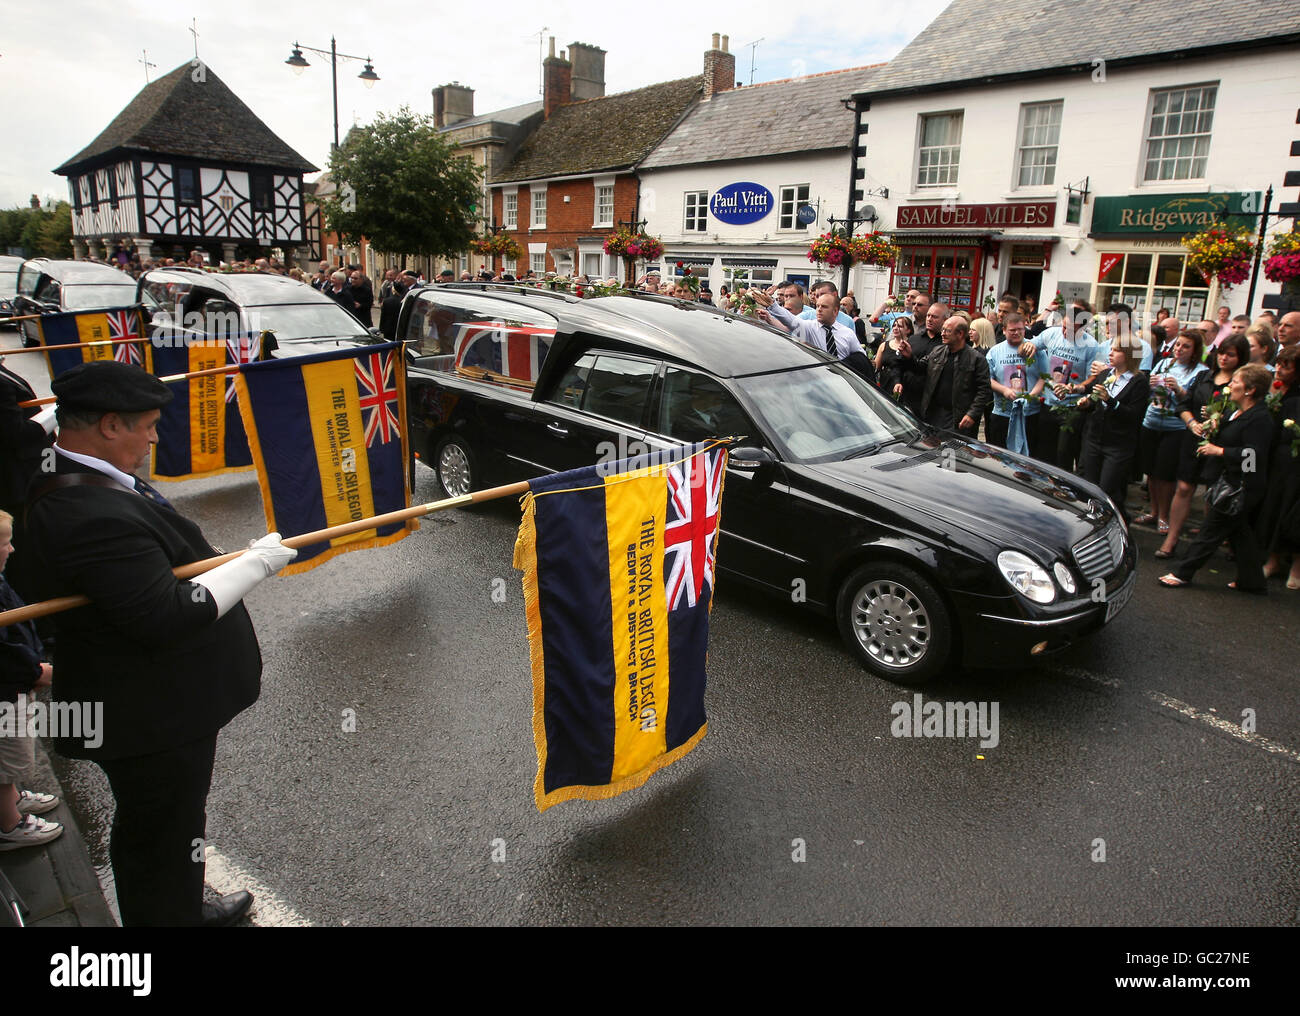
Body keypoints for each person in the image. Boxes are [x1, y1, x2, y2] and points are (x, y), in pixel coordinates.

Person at [23, 360, 297, 926]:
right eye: (145, 425)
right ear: (107, 425)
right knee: (161, 827)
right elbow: (166, 616)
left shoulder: (74, 470)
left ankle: (176, 900)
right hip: (150, 711)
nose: (153, 436)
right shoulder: (86, 512)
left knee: (167, 826)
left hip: (149, 701)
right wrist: (254, 566)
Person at [1159, 364, 1273, 592]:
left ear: (1250, 390)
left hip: (1242, 486)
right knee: (1241, 535)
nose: (1230, 385)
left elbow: (1253, 455)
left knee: (1211, 530)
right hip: (1232, 480)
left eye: (1236, 382)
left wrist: (1220, 451)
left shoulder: (1259, 418)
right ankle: (1253, 582)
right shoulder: (1235, 412)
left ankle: (1183, 572)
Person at [0, 508, 64, 852]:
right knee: (6, 758)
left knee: (10, 758)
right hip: (5, 694)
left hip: (14, 688)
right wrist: (35, 671)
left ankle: (11, 797)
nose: (11, 550)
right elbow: (5, 650)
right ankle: (9, 824)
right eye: (5, 544)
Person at [1156, 333, 1249, 559]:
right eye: (1222, 353)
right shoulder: (1204, 377)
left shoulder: (1240, 382)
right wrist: (1192, 423)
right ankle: (1171, 539)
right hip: (1193, 438)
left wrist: (1219, 419)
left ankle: (1204, 545)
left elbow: (1246, 413)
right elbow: (1184, 404)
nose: (1224, 358)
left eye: (1231, 355)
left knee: (1212, 493)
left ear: (1240, 358)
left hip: (1220, 444)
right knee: (1184, 488)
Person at [1137, 330, 1208, 536]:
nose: (1179, 349)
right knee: (1150, 471)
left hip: (1175, 427)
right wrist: (1150, 385)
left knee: (1165, 474)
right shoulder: (1163, 363)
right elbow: (1150, 393)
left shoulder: (1199, 372)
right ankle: (1153, 510)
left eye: (1186, 346)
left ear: (1195, 351)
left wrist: (1179, 390)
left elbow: (1195, 401)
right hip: (1151, 421)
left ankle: (1164, 516)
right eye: (1178, 345)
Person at [1076, 334, 1150, 524]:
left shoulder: (1139, 382)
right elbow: (1095, 403)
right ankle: (1094, 522)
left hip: (1118, 444)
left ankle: (1120, 522)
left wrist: (1110, 401)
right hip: (1095, 438)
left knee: (1108, 489)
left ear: (1128, 355)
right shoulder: (1105, 374)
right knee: (1090, 487)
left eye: (1116, 350)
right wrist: (1086, 403)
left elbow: (1133, 414)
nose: (1110, 353)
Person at [895, 315, 991, 436]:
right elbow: (920, 367)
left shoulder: (976, 359)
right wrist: (909, 356)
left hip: (958, 418)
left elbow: (984, 390)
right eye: (943, 329)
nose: (943, 333)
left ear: (960, 334)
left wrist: (972, 414)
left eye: (947, 331)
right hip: (933, 414)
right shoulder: (937, 351)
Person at [1037, 300, 1098, 470]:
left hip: (1071, 408)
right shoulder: (1051, 334)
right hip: (1047, 403)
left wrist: (1076, 387)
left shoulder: (1092, 346)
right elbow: (1031, 345)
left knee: (1063, 454)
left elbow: (1094, 377)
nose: (1064, 332)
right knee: (1043, 452)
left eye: (1070, 330)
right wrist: (1027, 347)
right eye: (1063, 326)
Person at [1258, 346, 1300, 588]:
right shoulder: (1274, 391)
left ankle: (1296, 563)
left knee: (1291, 509)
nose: (1280, 370)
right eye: (1279, 364)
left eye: (1287, 366)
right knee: (1273, 506)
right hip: (1275, 459)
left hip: (1294, 461)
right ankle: (1272, 559)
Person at [985, 313, 1050, 453]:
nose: (1017, 333)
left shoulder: (1035, 349)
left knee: (1028, 457)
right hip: (1002, 413)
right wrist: (1004, 390)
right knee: (998, 455)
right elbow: (987, 379)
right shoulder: (995, 352)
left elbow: (1045, 376)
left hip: (1029, 413)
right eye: (1012, 330)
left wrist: (1032, 395)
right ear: (1003, 330)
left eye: (1020, 329)